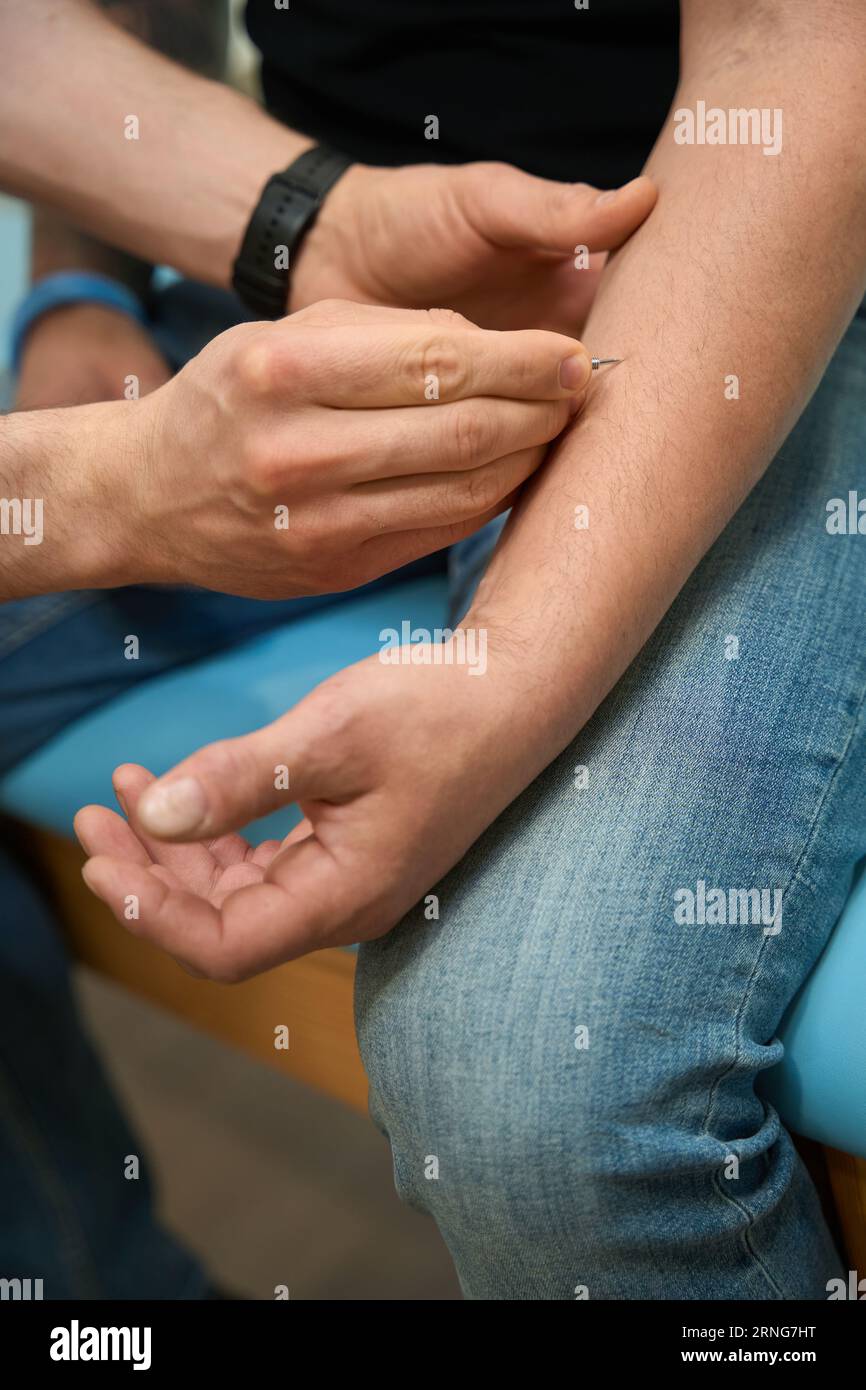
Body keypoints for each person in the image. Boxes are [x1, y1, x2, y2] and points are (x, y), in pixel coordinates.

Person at [77, 0, 866, 1301]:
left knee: (522, 1083)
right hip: (317, 233)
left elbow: (807, 52)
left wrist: (500, 680)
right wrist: (76, 287)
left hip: (768, 243)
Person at [0, 0, 651, 1298]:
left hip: (696, 324)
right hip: (291, 296)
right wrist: (102, 479)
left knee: (526, 1089)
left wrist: (310, 221)